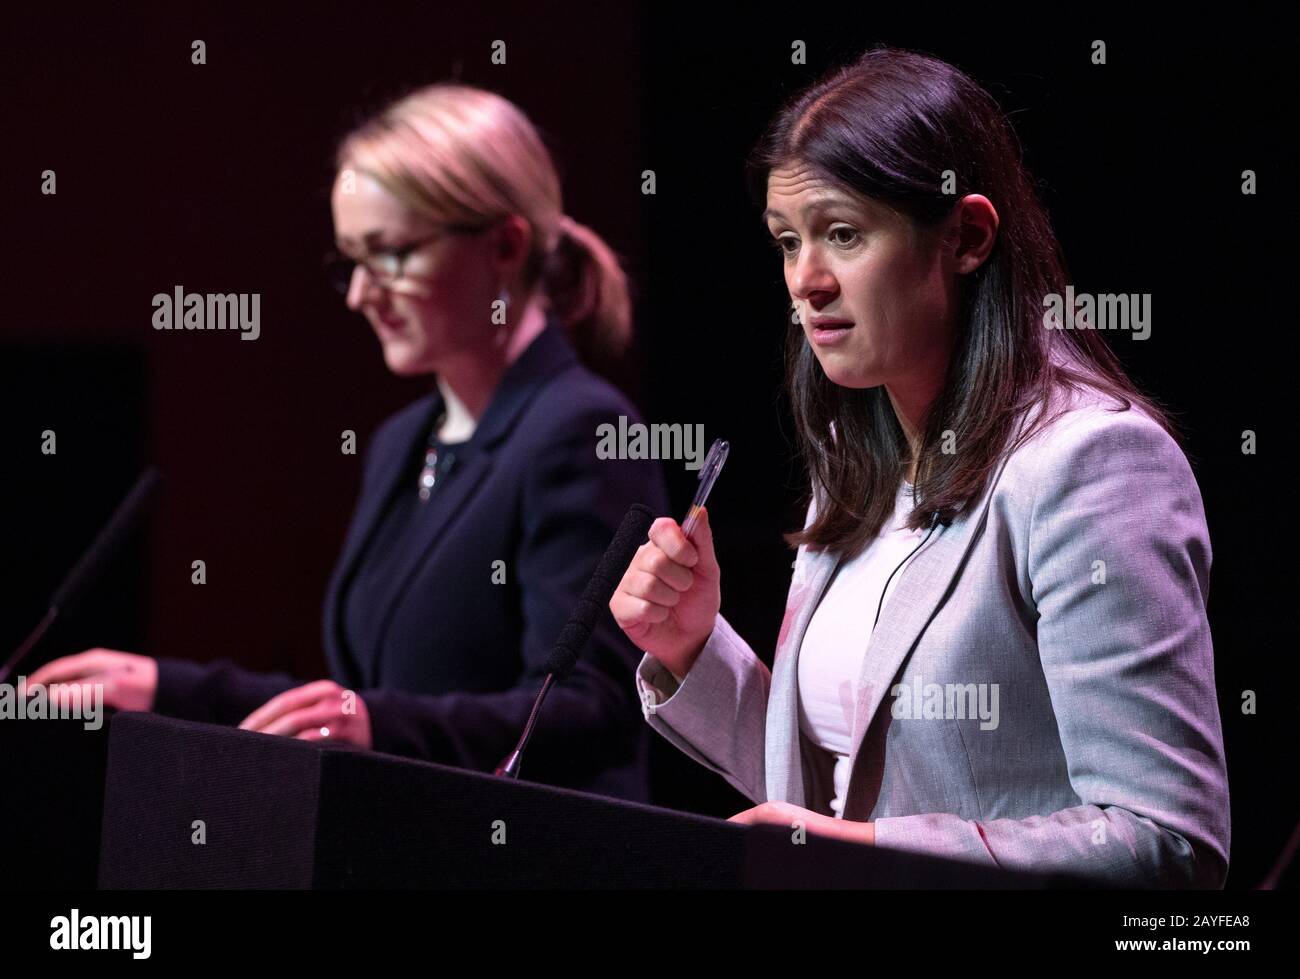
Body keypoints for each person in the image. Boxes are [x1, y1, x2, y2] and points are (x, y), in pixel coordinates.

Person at [610, 47, 1229, 885]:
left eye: (842, 234)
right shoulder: (853, 461)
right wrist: (694, 650)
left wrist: (861, 852)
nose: (806, 281)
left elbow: (1164, 844)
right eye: (787, 242)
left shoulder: (1093, 464)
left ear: (967, 236)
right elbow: (837, 793)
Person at [31, 83, 668, 801]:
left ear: (504, 244)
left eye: (389, 255)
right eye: (349, 262)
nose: (360, 294)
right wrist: (167, 687)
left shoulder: (579, 430)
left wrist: (376, 723)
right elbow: (366, 698)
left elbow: (596, 709)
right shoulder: (403, 441)